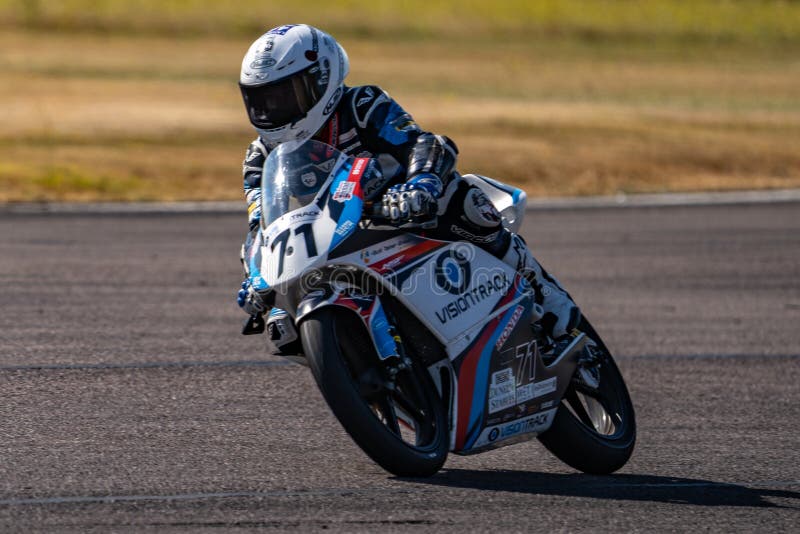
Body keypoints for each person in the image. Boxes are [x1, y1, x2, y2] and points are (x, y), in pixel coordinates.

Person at [236, 24, 580, 350]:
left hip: (402, 210)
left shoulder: (362, 105)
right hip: (334, 240)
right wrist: (256, 277)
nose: (271, 110)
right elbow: (261, 228)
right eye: (261, 101)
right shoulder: (259, 158)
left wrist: (421, 185)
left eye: (283, 97)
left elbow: (423, 143)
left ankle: (542, 288)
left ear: (321, 80)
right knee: (281, 329)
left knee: (466, 203)